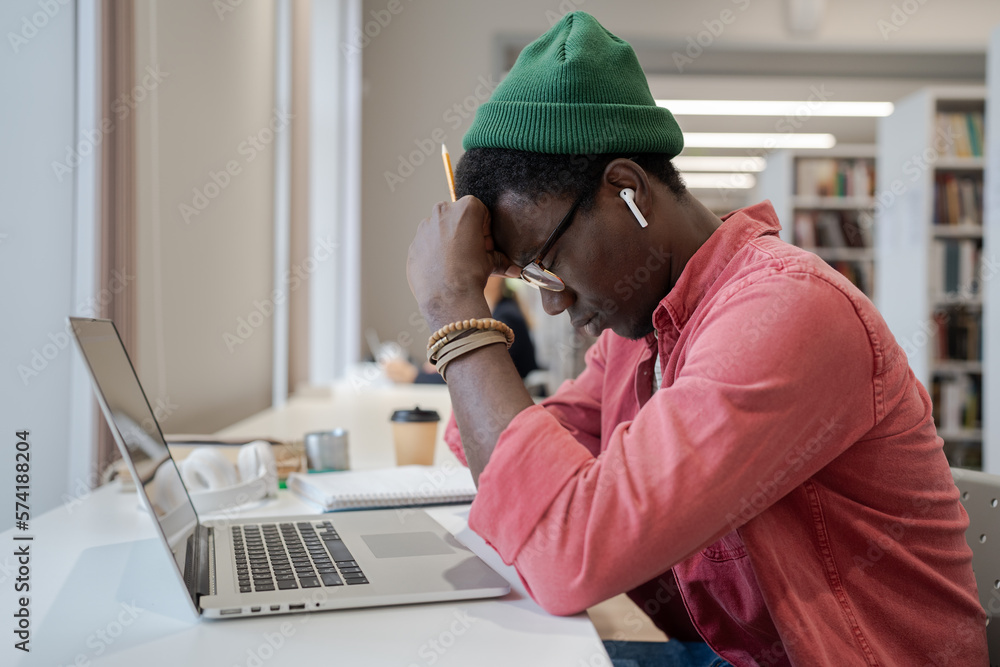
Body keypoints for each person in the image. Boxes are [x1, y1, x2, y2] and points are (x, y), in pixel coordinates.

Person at [404, 12, 987, 667]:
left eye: (547, 259)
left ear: (626, 190)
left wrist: (452, 307)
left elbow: (565, 550)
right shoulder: (645, 325)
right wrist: (469, 301)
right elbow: (518, 476)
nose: (554, 299)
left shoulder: (784, 314)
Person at [384, 276, 538, 384]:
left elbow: (476, 377)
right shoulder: (494, 312)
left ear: (497, 277)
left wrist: (415, 377)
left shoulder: (506, 317)